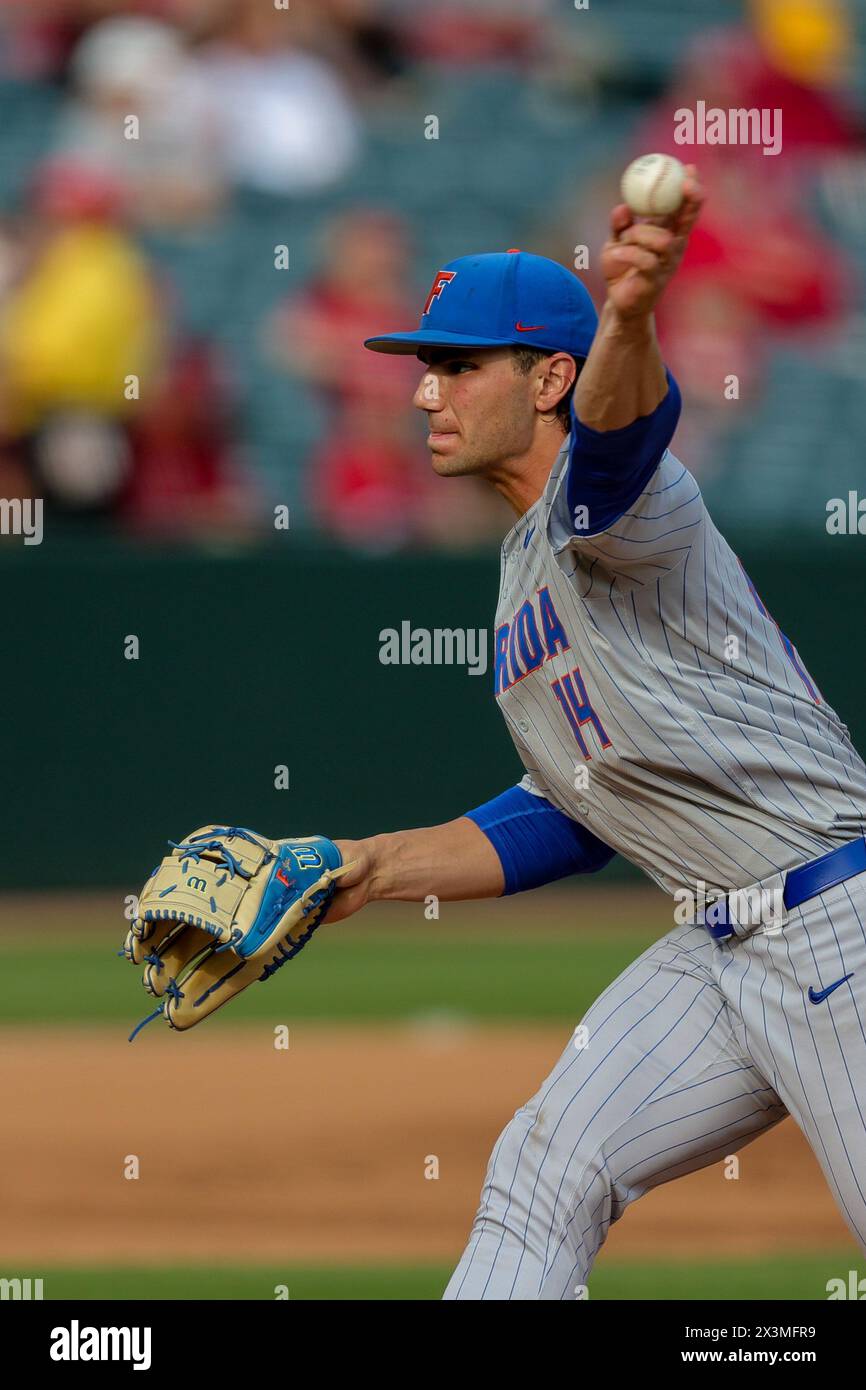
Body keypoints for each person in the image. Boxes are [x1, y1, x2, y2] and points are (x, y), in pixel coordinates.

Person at [319, 168, 866, 1298]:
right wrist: (369, 866)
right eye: (427, 368)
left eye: (457, 365)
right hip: (721, 944)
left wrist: (630, 313)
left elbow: (622, 434)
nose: (426, 395)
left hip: (834, 925)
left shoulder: (621, 507)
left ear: (550, 376)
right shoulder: (522, 567)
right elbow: (567, 814)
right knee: (543, 1168)